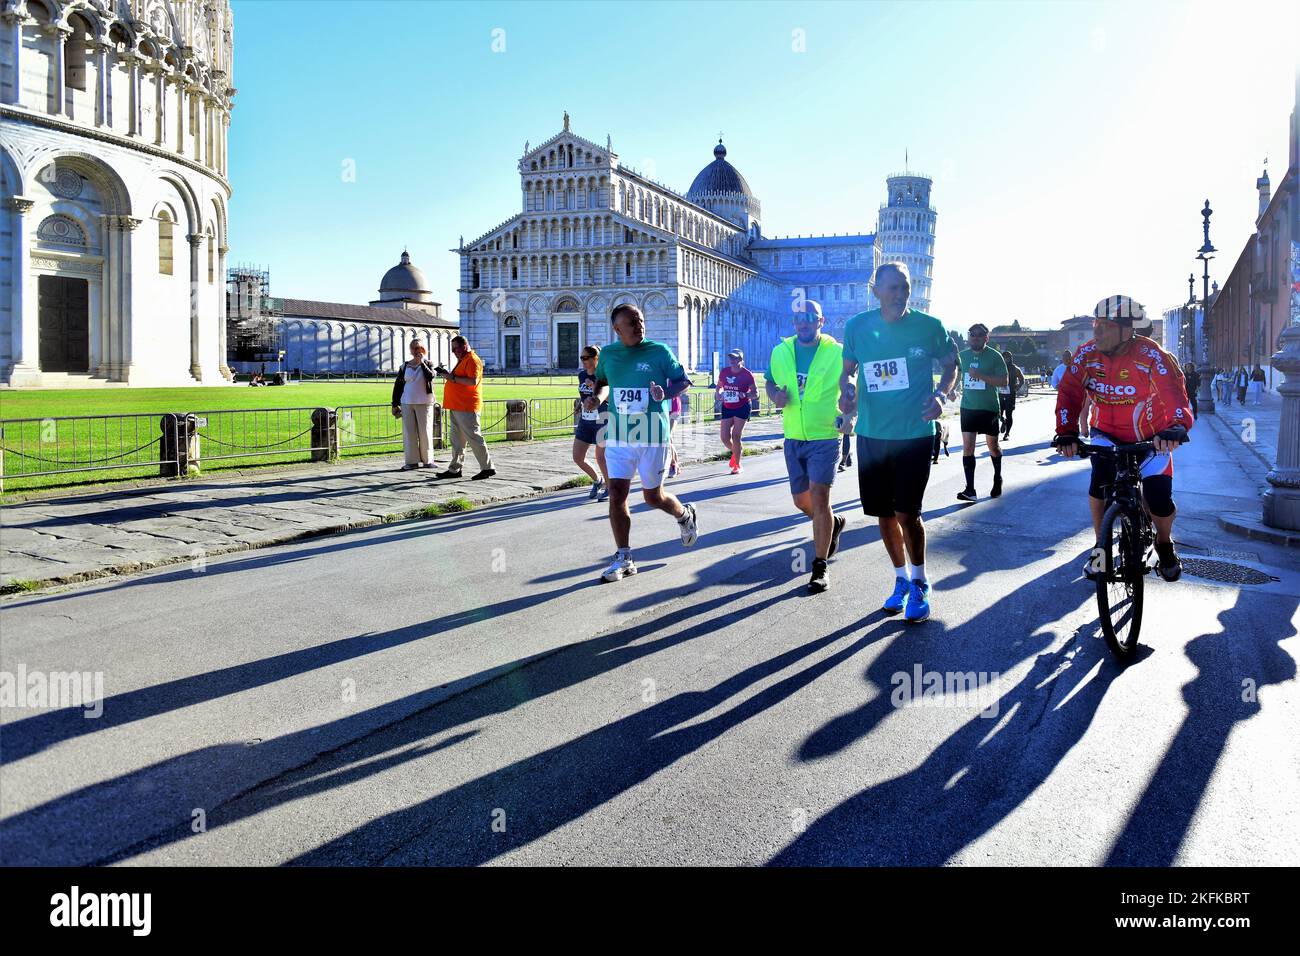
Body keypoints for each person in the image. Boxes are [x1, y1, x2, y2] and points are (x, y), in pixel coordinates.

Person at [840, 262, 959, 622]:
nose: (899, 293)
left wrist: (941, 394)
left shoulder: (929, 327)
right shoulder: (857, 326)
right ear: (876, 291)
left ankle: (921, 582)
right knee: (884, 514)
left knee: (908, 513)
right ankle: (900, 580)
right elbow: (849, 371)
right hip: (873, 435)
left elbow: (952, 365)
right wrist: (846, 390)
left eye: (904, 286)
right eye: (891, 287)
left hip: (914, 435)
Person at [1055, 294, 1193, 582]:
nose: (1096, 331)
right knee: (1099, 482)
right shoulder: (1086, 353)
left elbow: (1173, 391)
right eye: (1095, 324)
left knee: (1159, 500)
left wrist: (1177, 425)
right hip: (1106, 433)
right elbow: (1069, 392)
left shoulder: (1152, 355)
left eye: (1104, 325)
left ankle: (1164, 543)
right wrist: (1066, 431)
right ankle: (1100, 547)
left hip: (1152, 437)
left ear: (1126, 329)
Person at [589, 303, 699, 582]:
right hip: (618, 435)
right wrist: (596, 398)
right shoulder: (610, 355)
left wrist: (666, 391)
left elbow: (683, 381)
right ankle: (624, 556)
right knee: (617, 494)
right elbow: (602, 383)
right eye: (632, 322)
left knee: (653, 497)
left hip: (652, 433)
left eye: (640, 320)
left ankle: (684, 515)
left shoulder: (659, 351)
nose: (639, 325)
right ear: (617, 329)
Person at [767, 301, 847, 593]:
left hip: (825, 435)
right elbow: (770, 382)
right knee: (802, 502)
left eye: (810, 317)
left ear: (821, 321)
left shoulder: (836, 352)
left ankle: (819, 567)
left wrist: (849, 415)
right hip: (793, 437)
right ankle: (832, 523)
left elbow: (853, 385)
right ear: (793, 322)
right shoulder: (781, 352)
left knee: (820, 496)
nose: (804, 322)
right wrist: (775, 394)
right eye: (799, 318)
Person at [955, 324, 1009, 501]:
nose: (975, 337)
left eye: (980, 335)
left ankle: (997, 477)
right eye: (972, 334)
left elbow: (1004, 382)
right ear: (969, 337)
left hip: (989, 408)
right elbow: (955, 375)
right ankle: (970, 489)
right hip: (968, 407)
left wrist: (981, 375)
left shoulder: (995, 356)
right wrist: (952, 389)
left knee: (992, 446)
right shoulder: (962, 356)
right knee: (968, 447)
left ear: (987, 338)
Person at [436, 335, 496, 480]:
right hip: (456, 405)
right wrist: (449, 376)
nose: (453, 352)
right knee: (457, 440)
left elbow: (472, 381)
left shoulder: (473, 360)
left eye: (455, 348)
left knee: (474, 437)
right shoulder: (463, 360)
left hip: (467, 406)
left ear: (464, 346)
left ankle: (488, 467)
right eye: (452, 349)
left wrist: (452, 378)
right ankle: (455, 469)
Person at [390, 339, 436, 471]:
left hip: (424, 402)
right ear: (411, 350)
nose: (416, 351)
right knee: (409, 432)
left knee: (425, 431)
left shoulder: (428, 364)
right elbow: (398, 386)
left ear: (423, 349)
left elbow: (431, 377)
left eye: (419, 348)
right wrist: (395, 404)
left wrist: (422, 363)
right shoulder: (404, 366)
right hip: (407, 402)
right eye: (414, 348)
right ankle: (411, 461)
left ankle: (428, 460)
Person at [574, 345, 610, 501]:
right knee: (577, 457)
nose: (583, 361)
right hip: (586, 421)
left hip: (603, 419)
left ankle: (610, 488)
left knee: (601, 457)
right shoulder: (581, 375)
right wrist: (580, 405)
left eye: (586, 358)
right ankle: (598, 480)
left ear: (597, 359)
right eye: (582, 358)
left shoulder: (604, 376)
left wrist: (594, 386)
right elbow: (584, 395)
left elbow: (610, 398)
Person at [716, 348, 758, 475]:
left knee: (736, 436)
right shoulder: (724, 372)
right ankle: (736, 451)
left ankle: (738, 465)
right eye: (731, 358)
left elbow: (755, 393)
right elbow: (719, 387)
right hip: (727, 406)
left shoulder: (747, 374)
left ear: (741, 360)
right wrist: (718, 394)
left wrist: (744, 395)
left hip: (742, 407)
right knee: (724, 437)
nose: (732, 361)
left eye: (735, 358)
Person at [998, 349, 1025, 441]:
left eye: (1008, 358)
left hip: (1010, 395)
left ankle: (1007, 433)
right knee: (998, 414)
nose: (1006, 359)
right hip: (1000, 394)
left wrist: (1018, 386)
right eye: (1004, 358)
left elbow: (1022, 379)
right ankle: (1003, 421)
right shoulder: (998, 367)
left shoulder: (1015, 368)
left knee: (1009, 414)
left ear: (1011, 358)